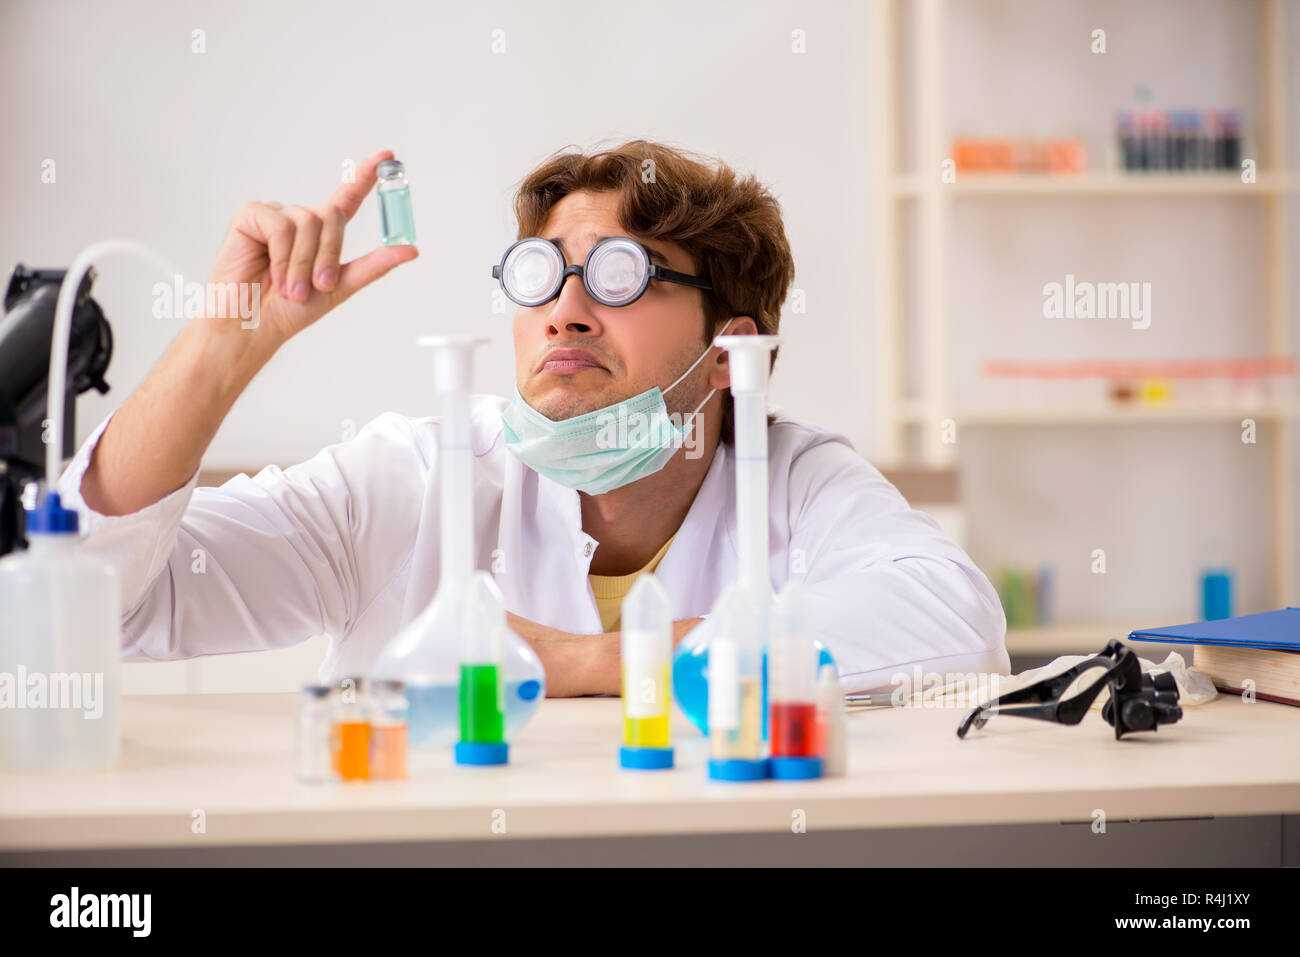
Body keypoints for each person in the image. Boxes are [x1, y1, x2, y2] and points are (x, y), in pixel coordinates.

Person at [57, 141, 1008, 696]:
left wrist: (589, 663)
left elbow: (957, 628)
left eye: (621, 273)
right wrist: (226, 348)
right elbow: (100, 605)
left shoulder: (793, 478)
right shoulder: (416, 477)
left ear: (728, 354)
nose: (564, 308)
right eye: (540, 273)